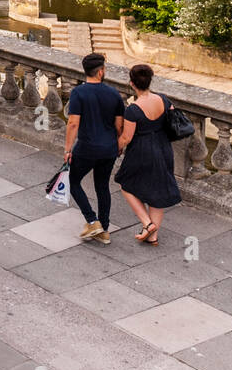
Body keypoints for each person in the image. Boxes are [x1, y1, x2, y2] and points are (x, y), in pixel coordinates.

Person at [115, 64, 181, 245]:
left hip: (142, 151)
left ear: (132, 84)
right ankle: (153, 237)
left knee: (125, 184)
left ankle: (147, 223)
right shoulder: (163, 100)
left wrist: (117, 148)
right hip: (163, 147)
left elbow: (127, 137)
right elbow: (172, 117)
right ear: (150, 81)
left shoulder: (133, 110)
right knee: (157, 193)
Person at [64, 53, 125, 244]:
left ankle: (92, 220)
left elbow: (73, 123)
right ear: (100, 72)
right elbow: (119, 125)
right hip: (108, 148)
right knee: (102, 186)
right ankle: (104, 230)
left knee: (73, 181)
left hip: (87, 148)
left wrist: (67, 150)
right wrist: (118, 145)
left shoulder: (78, 93)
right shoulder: (114, 94)